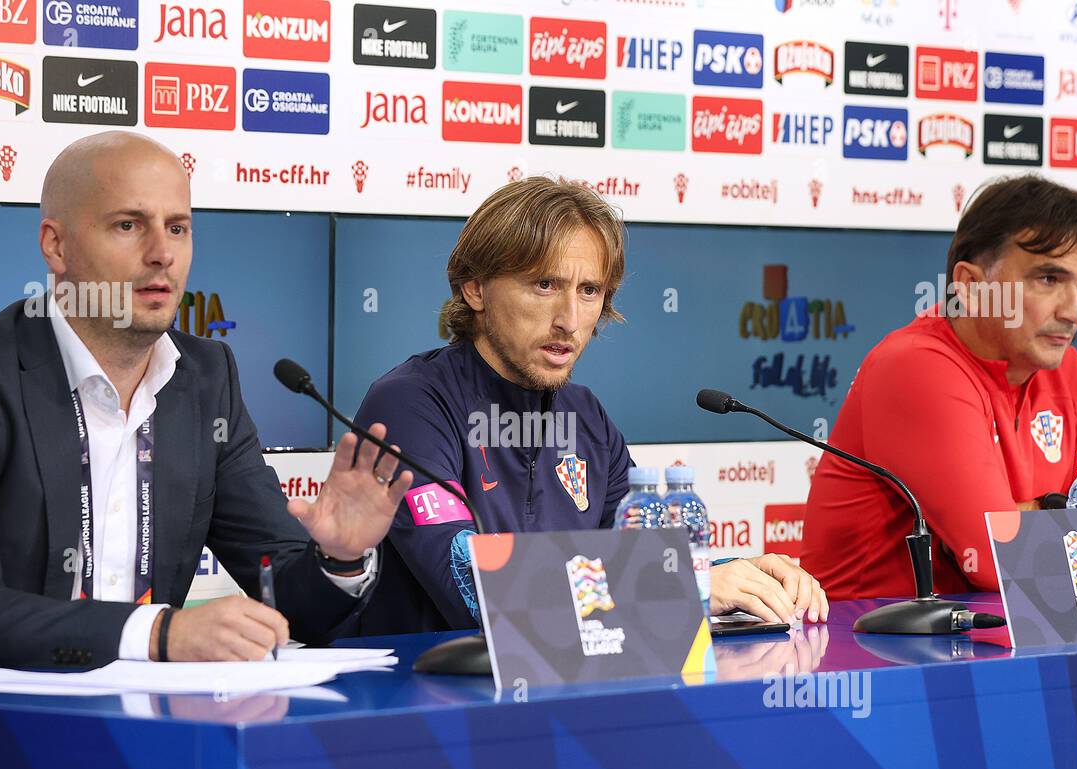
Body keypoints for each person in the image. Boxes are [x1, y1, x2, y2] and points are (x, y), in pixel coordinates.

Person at [0, 132, 412, 669]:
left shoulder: (206, 378)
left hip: (143, 729)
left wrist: (338, 559)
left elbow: (288, 602)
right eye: (128, 225)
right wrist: (158, 633)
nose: (162, 254)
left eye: (178, 228)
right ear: (55, 246)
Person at [349, 177, 828, 637]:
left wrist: (732, 572)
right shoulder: (410, 402)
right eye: (544, 285)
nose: (570, 320)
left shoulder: (585, 415)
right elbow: (472, 586)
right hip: (429, 703)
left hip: (563, 692)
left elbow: (635, 561)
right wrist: (685, 583)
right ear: (474, 287)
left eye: (589, 291)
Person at [801, 174, 1077, 599]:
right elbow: (997, 559)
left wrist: (1032, 514)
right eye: (1049, 279)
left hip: (1006, 638)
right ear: (972, 286)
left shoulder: (1072, 373)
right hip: (872, 647)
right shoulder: (915, 366)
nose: (1076, 312)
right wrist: (1073, 513)